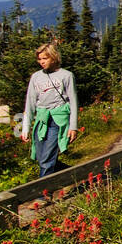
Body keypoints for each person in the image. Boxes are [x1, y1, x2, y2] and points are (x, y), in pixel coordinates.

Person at [21, 43, 78, 177]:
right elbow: (30, 102)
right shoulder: (36, 77)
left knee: (46, 159)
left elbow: (73, 102)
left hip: (58, 120)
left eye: (45, 58)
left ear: (53, 57)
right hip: (41, 120)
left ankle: (43, 194)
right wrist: (25, 127)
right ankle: (74, 175)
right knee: (42, 159)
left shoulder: (67, 75)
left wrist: (73, 126)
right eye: (39, 59)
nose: (41, 62)